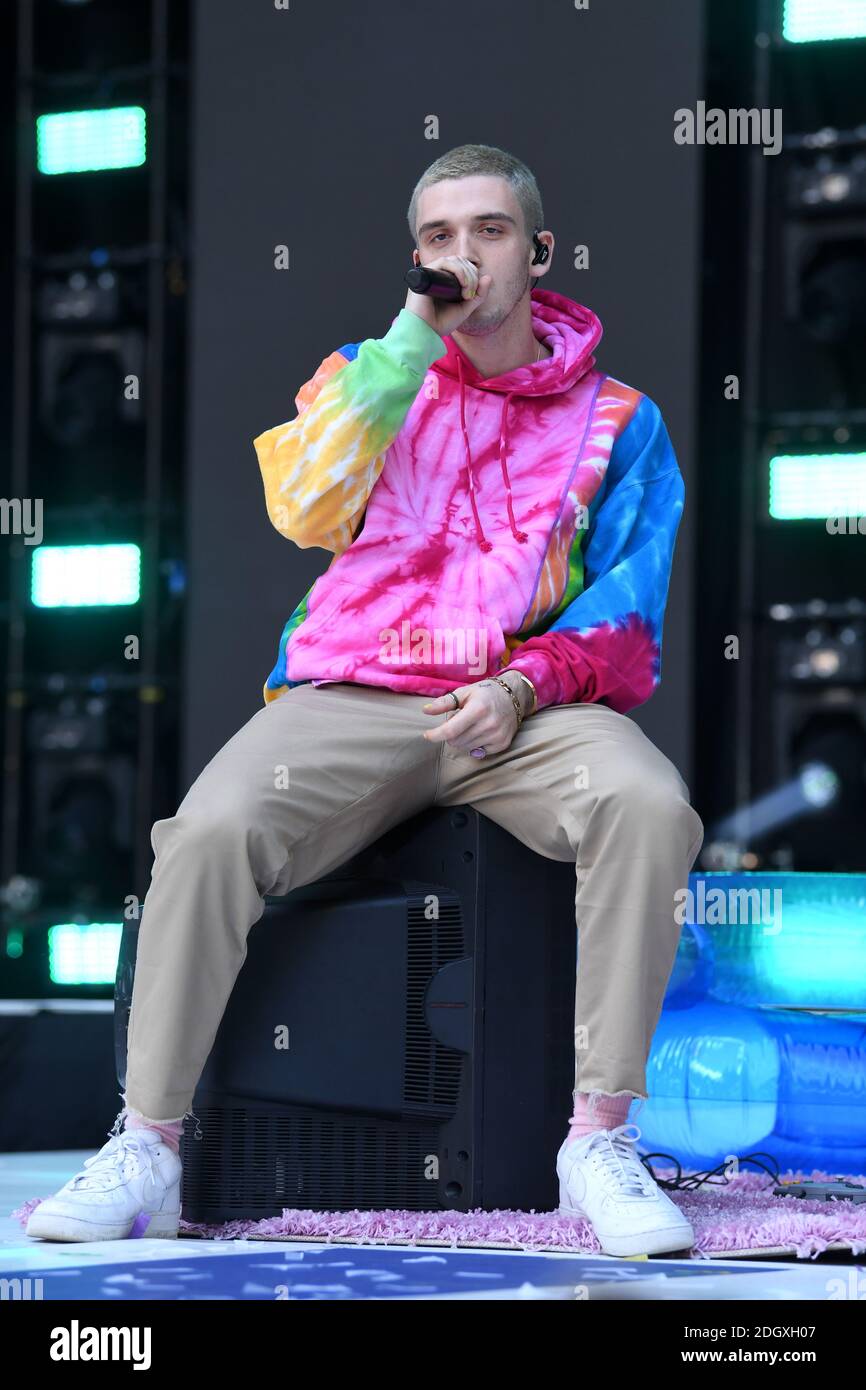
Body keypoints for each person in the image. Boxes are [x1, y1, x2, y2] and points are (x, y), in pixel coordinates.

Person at [27, 143, 703, 1258]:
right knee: (208, 831)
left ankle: (598, 1142)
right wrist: (404, 344)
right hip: (358, 690)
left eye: (486, 231)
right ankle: (145, 1139)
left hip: (521, 704)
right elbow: (301, 504)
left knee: (644, 801)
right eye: (437, 238)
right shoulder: (368, 371)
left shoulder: (618, 420)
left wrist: (522, 682)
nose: (461, 256)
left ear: (536, 252)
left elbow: (628, 613)